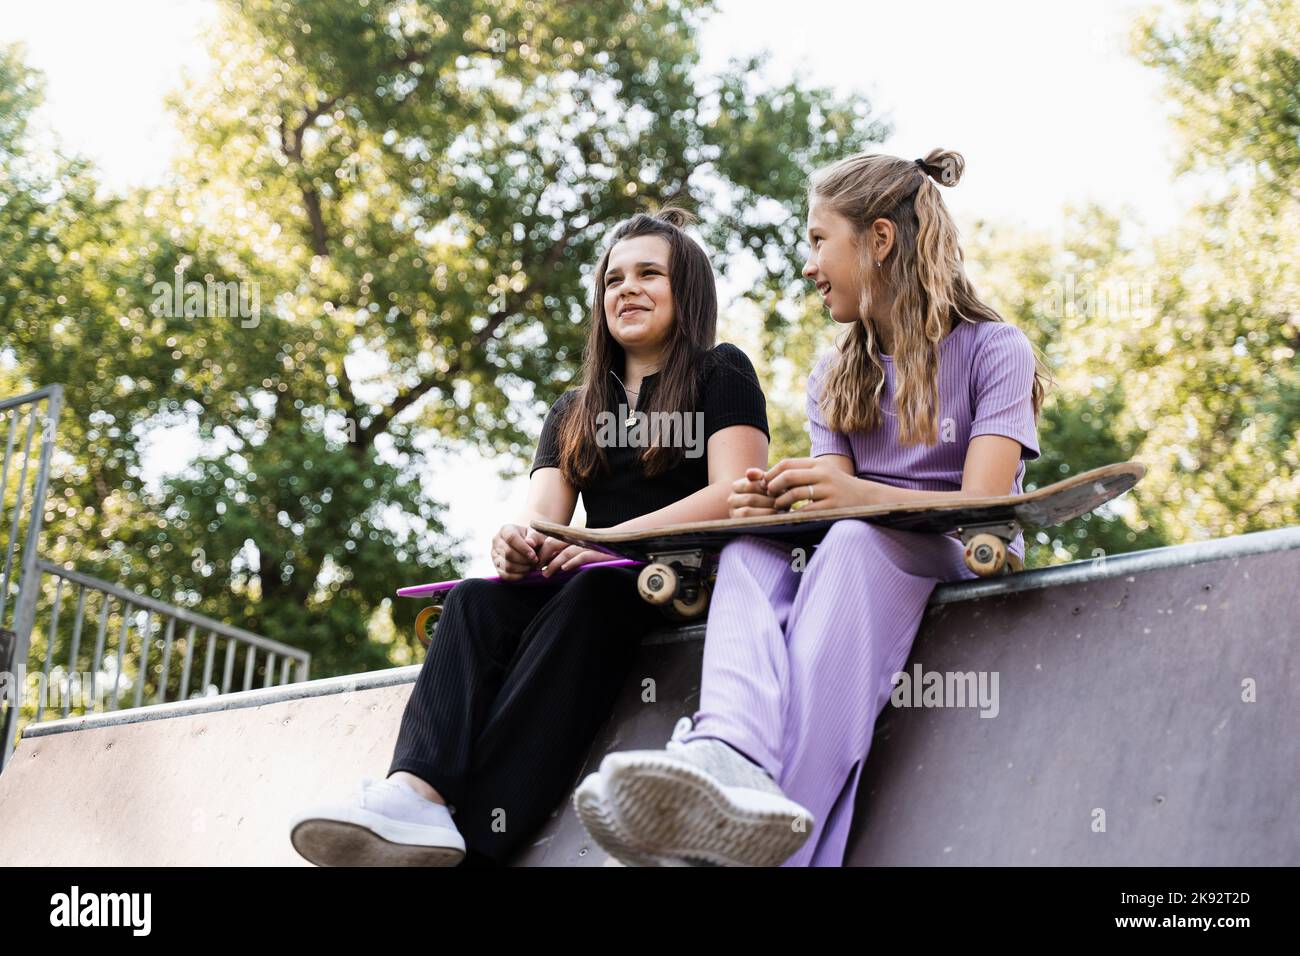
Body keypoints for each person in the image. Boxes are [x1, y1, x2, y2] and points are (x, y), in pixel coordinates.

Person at [575, 149, 1051, 867]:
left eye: (818, 240)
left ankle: (773, 839)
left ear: (879, 240)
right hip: (857, 545)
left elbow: (985, 499)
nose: (809, 265)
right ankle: (727, 748)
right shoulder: (835, 371)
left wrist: (856, 499)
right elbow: (834, 503)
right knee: (750, 547)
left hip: (958, 549)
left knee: (859, 544)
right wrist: (783, 499)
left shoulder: (994, 349)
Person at [288, 208, 769, 866]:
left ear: (688, 292)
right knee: (475, 603)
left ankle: (483, 835)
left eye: (649, 274)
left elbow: (735, 492)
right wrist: (517, 545)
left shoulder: (721, 373)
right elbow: (541, 520)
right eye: (613, 279)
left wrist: (610, 541)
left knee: (588, 596)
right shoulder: (575, 409)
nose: (626, 289)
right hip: (593, 572)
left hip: (674, 577)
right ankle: (416, 794)